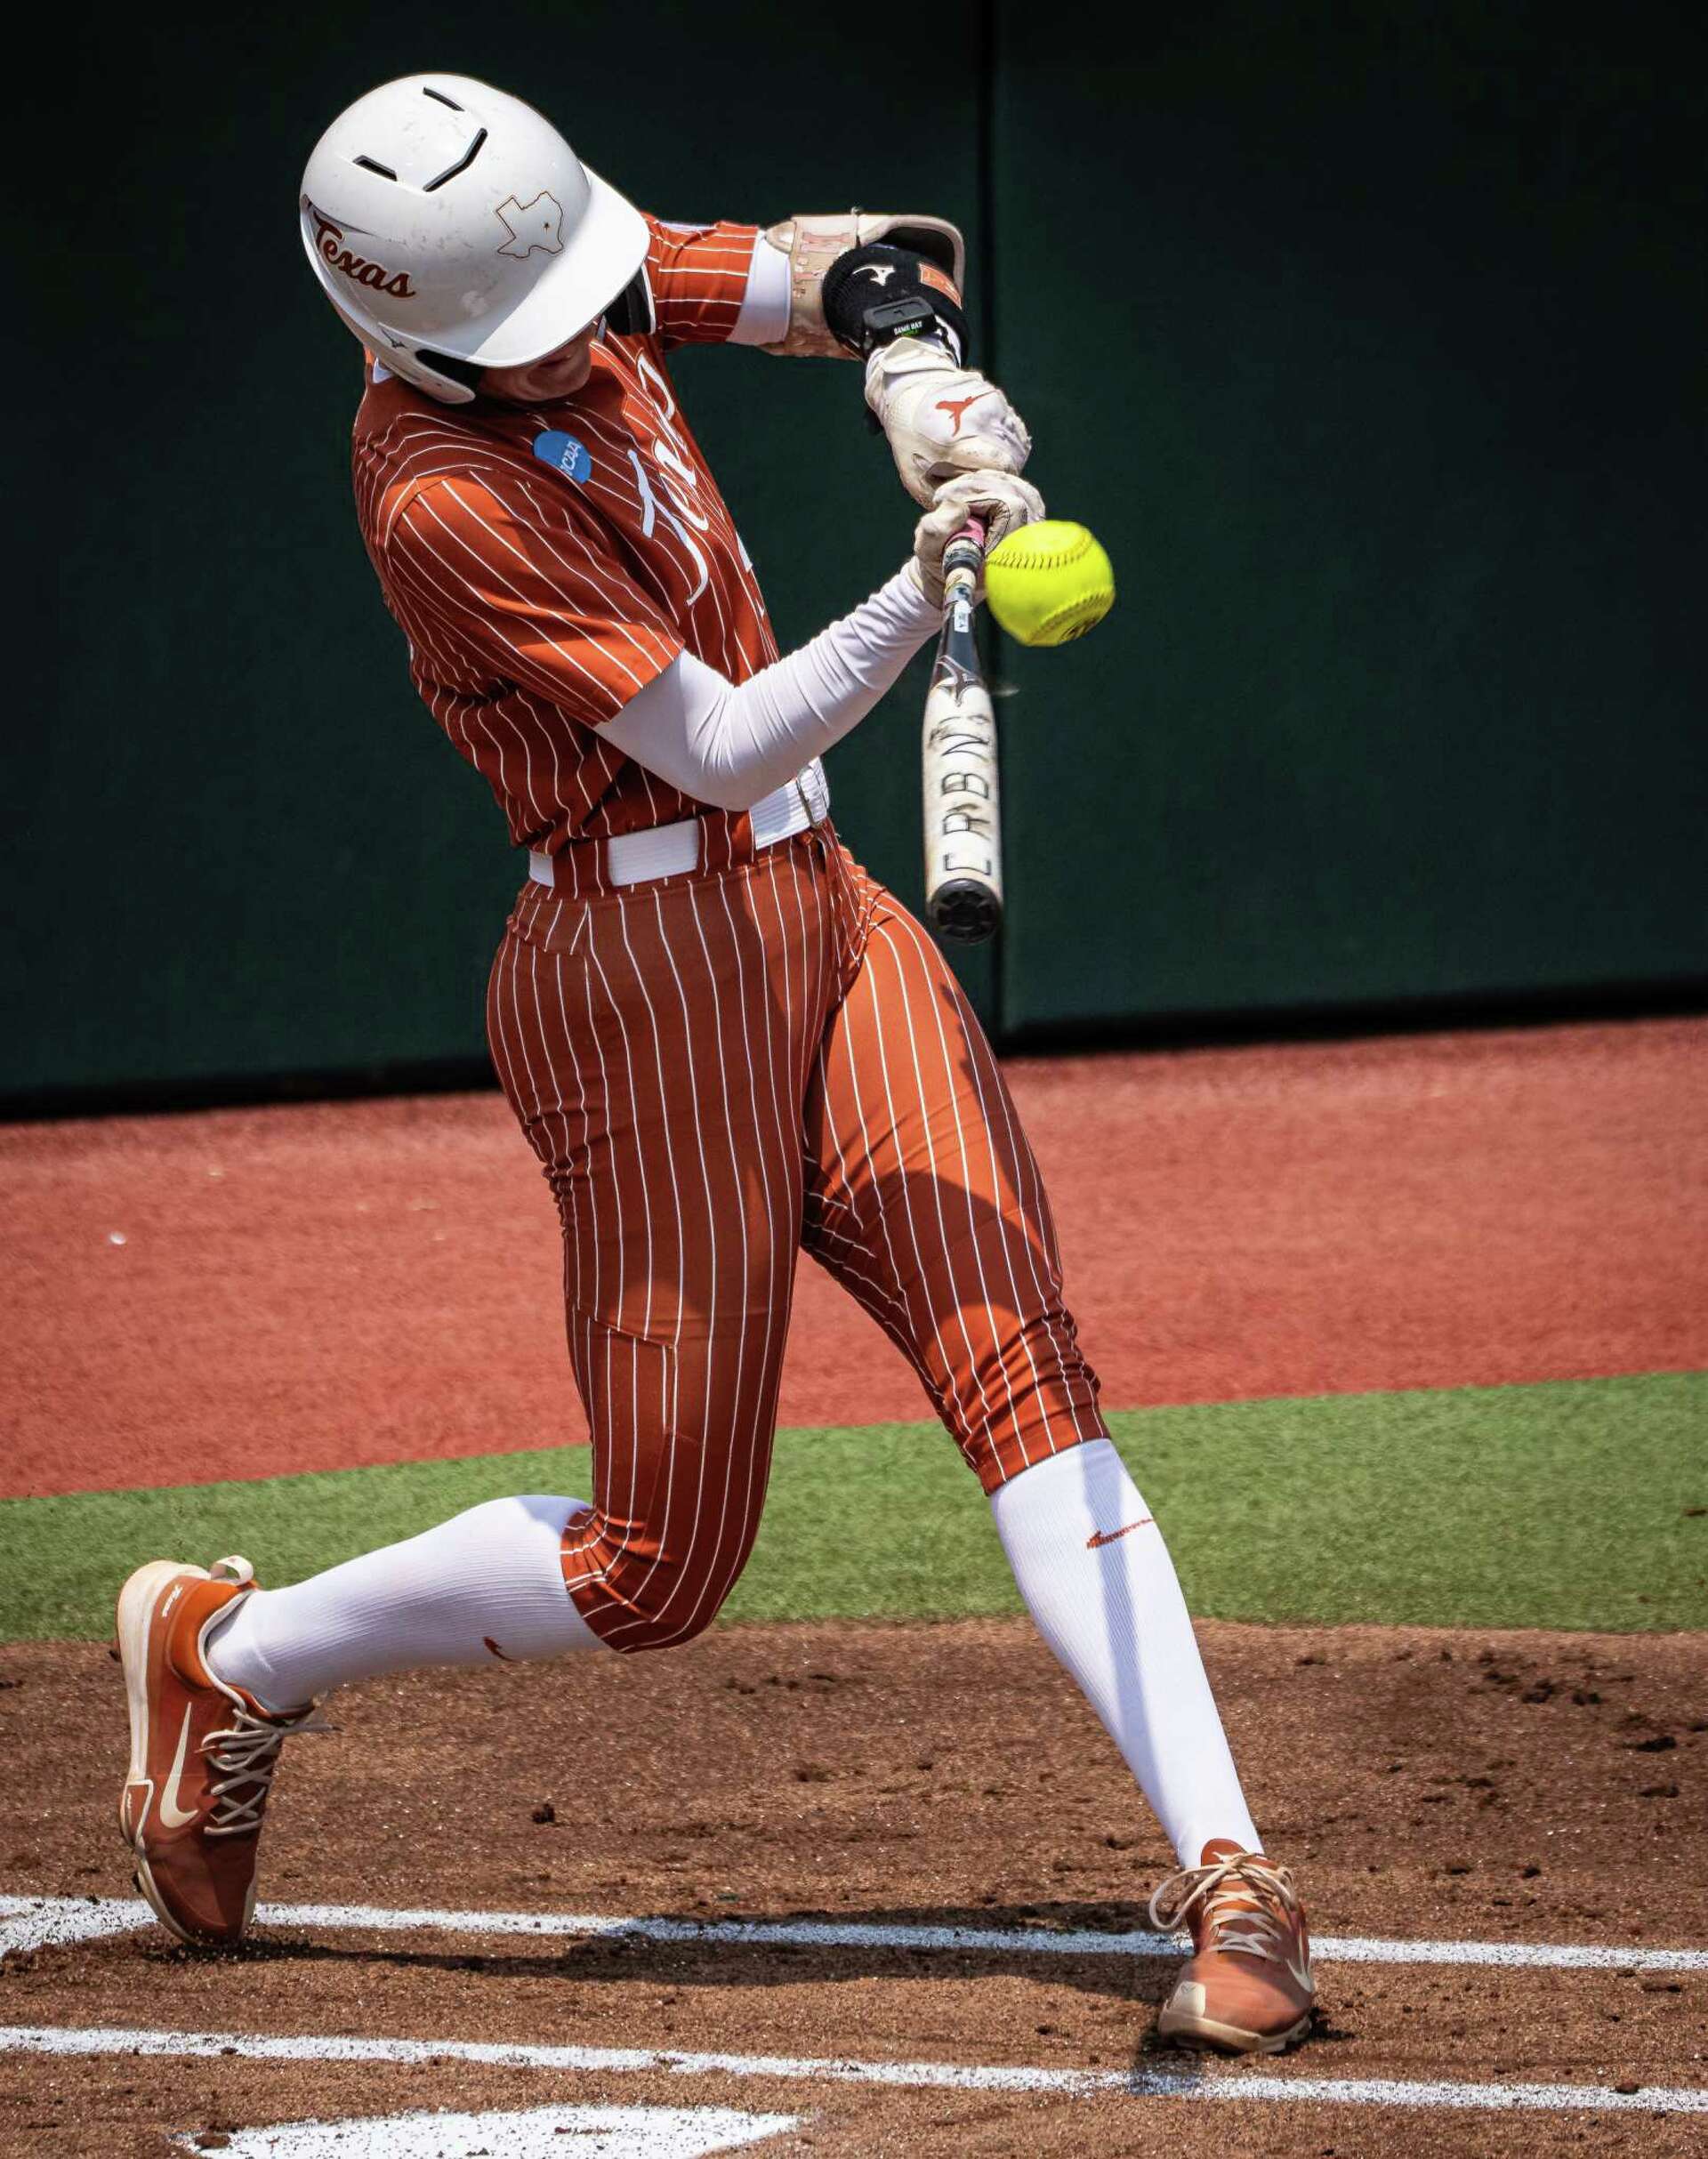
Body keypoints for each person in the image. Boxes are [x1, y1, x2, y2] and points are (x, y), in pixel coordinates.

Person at [115, 73, 1315, 2057]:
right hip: (637, 967)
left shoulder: (546, 263)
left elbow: (851, 259)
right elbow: (728, 740)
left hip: (826, 915)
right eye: (547, 325)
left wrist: (916, 371)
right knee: (659, 1562)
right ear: (407, 327)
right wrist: (923, 580)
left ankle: (1232, 1863)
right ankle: (229, 1652)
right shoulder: (438, 495)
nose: (594, 332)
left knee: (1020, 1354)